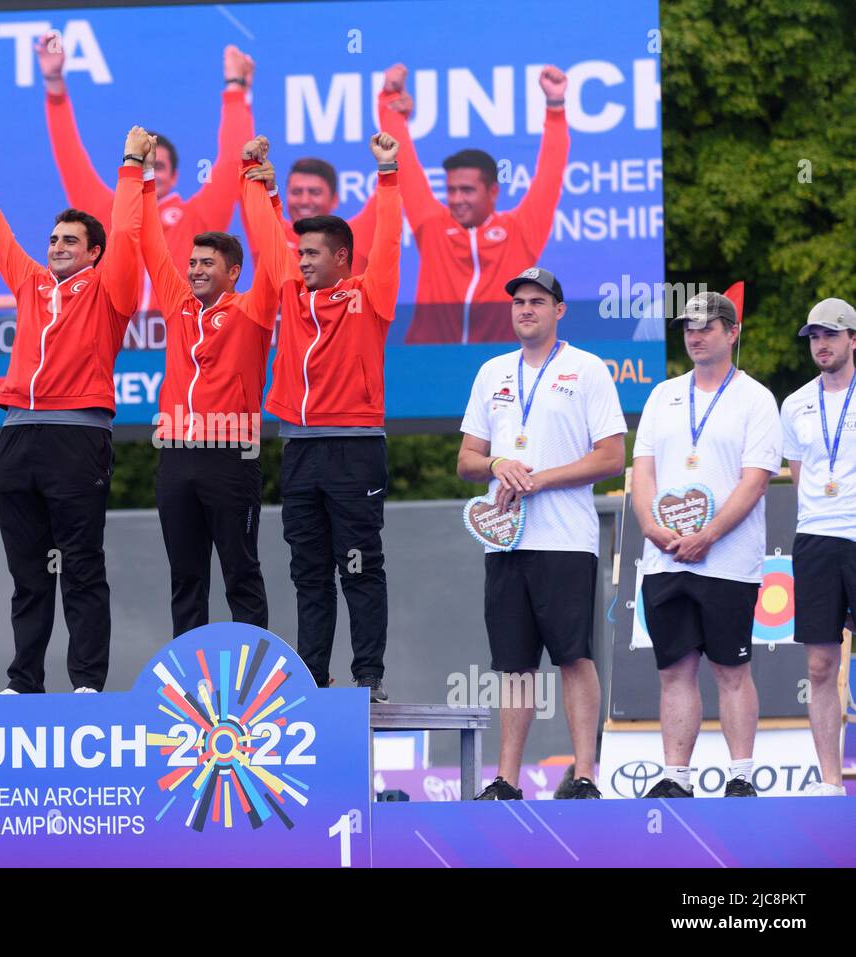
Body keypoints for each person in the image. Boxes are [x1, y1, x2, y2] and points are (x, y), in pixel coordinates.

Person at [0, 115, 145, 693]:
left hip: (76, 436)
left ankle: (87, 681)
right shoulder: (31, 283)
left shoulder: (110, 290)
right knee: (27, 574)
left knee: (81, 566)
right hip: (17, 437)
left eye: (70, 241)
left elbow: (129, 233)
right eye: (54, 239)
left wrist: (131, 167)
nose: (57, 247)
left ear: (94, 253)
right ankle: (24, 681)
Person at [457, 267, 626, 800]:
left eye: (537, 301)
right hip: (505, 538)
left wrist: (537, 478)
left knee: (574, 657)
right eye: (518, 302)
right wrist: (499, 463)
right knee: (514, 664)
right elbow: (466, 460)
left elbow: (612, 457)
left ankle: (585, 775)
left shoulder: (587, 369)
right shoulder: (492, 372)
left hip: (566, 539)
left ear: (559, 310)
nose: (525, 309)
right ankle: (506, 779)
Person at [249, 129, 403, 701]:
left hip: (356, 447)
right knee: (307, 571)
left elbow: (387, 242)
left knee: (359, 567)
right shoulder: (291, 293)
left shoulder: (370, 294)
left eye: (313, 253)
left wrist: (388, 175)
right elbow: (267, 240)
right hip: (300, 448)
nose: (303, 262)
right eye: (300, 254)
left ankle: (369, 678)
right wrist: (259, 182)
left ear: (342, 257)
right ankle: (313, 677)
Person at [631, 291, 782, 797]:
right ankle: (675, 778)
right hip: (666, 555)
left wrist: (709, 535)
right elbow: (643, 471)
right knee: (674, 671)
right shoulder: (662, 394)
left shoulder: (756, 398)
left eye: (707, 327)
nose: (695, 335)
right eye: (689, 328)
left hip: (728, 561)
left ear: (732, 333)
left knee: (731, 668)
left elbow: (755, 480)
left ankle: (741, 775)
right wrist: (653, 529)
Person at [143, 133, 284, 637]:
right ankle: (190, 674)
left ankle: (254, 674)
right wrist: (139, 172)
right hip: (176, 455)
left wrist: (265, 191)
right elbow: (148, 240)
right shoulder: (177, 304)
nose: (196, 269)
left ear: (234, 272)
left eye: (208, 263)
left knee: (240, 572)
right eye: (194, 262)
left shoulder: (253, 308)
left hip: (231, 457)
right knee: (186, 576)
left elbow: (276, 254)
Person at [36, 32, 254, 310]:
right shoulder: (104, 214)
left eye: (157, 166)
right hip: (116, 346)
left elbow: (230, 161)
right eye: (141, 163)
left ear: (174, 177)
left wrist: (236, 88)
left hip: (184, 342)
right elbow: (70, 156)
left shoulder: (198, 218)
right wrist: (54, 83)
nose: (148, 172)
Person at [379, 64, 571, 344]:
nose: (457, 199)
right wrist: (389, 97)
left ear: (493, 191)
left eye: (467, 190)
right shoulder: (432, 225)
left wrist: (555, 107)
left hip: (497, 365)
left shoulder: (520, 231)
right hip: (429, 365)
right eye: (451, 190)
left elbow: (550, 173)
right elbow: (404, 162)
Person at [780, 298, 856, 796]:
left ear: (853, 339)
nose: (820, 345)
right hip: (816, 538)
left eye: (830, 334)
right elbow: (799, 474)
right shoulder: (796, 403)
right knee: (820, 664)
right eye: (813, 337)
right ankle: (830, 780)